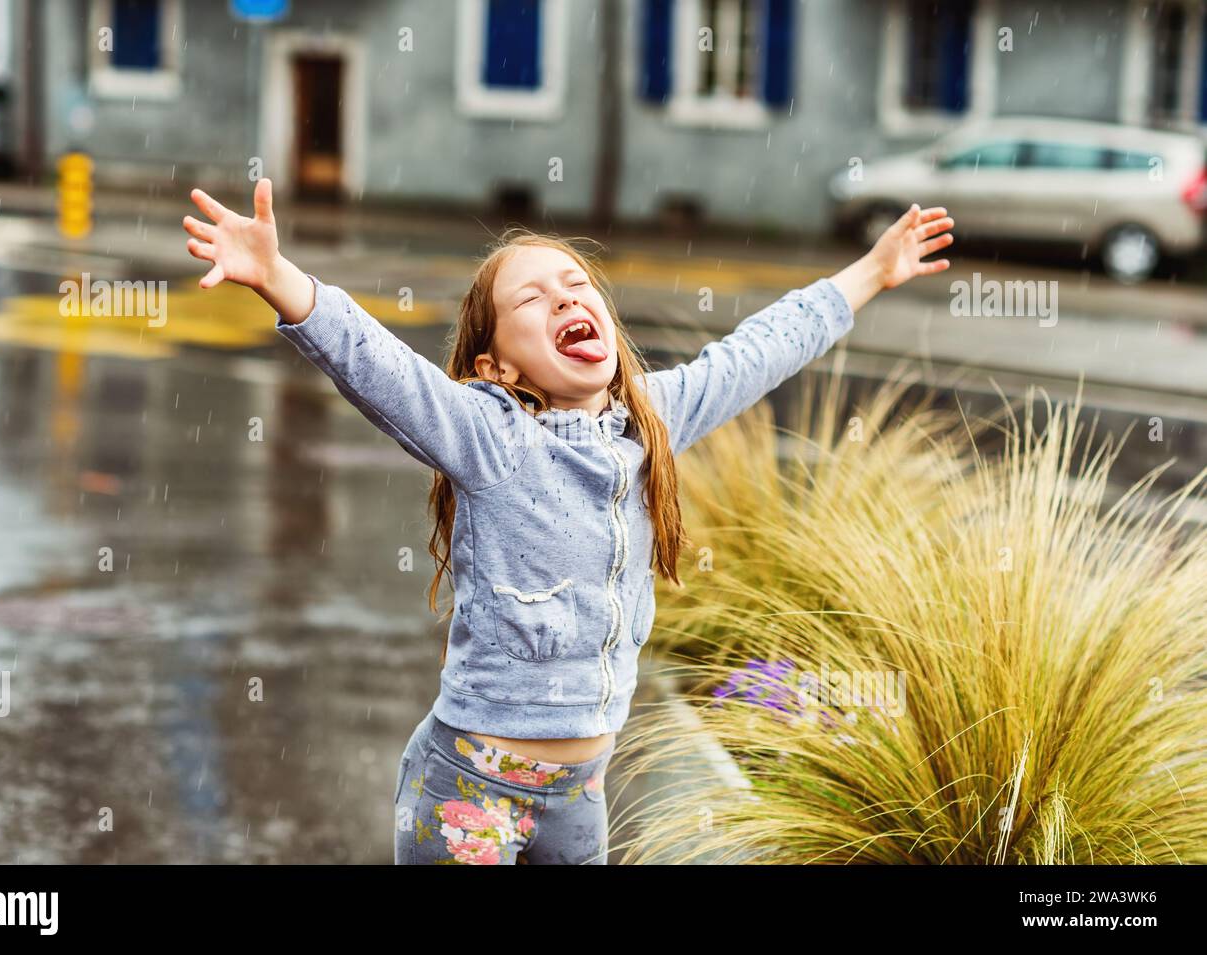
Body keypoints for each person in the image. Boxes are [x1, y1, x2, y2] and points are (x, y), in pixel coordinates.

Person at [183, 179, 954, 864]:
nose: (565, 299)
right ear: (497, 366)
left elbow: (759, 349)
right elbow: (382, 370)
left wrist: (872, 273)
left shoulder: (651, 424)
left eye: (577, 284)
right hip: (469, 794)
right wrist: (279, 278)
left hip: (580, 796)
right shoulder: (491, 438)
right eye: (532, 299)